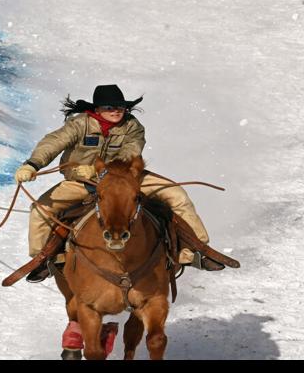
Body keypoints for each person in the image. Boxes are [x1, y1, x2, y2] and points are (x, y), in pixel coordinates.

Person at [15, 85, 223, 282]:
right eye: (109, 107)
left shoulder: (133, 126)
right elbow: (52, 143)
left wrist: (102, 170)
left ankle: (197, 250)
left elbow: (129, 155)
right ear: (97, 109)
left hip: (127, 179)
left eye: (120, 107)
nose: (116, 111)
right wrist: (32, 165)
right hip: (82, 182)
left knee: (176, 195)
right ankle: (44, 259)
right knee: (41, 210)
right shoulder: (79, 124)